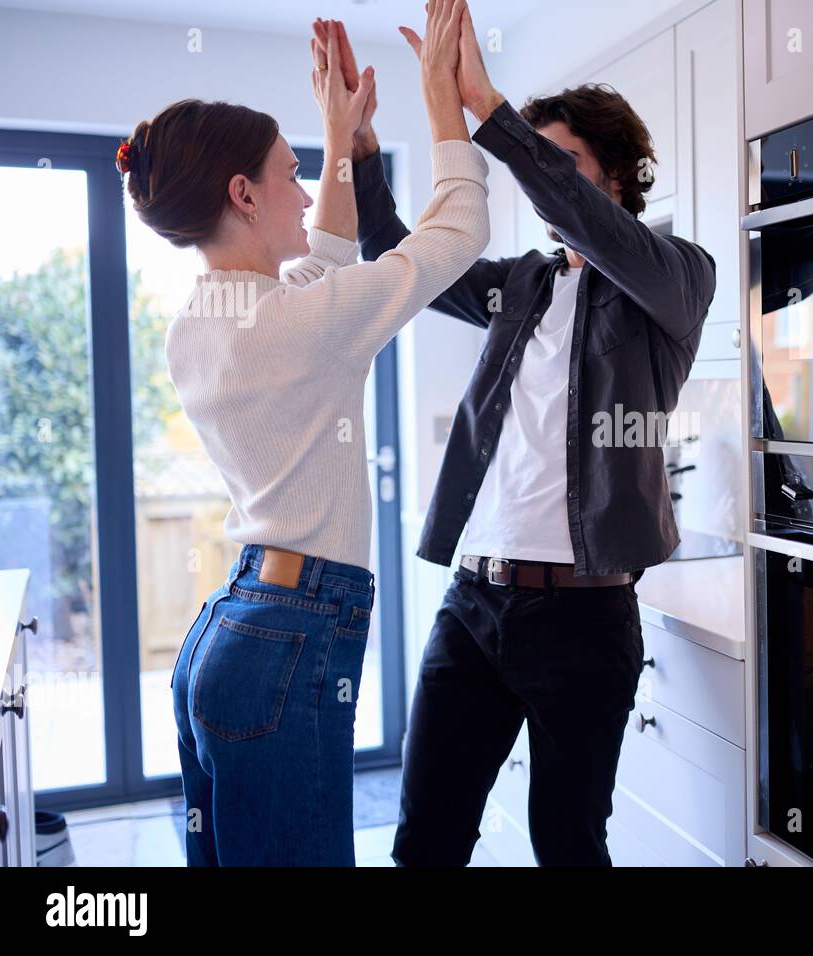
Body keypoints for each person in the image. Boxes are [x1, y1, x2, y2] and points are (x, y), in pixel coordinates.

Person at [327, 2, 716, 865]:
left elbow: (594, 227)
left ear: (616, 174)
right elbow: (401, 257)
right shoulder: (522, 284)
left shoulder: (676, 278)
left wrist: (487, 112)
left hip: (584, 619)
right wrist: (356, 150)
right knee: (425, 841)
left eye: (565, 164)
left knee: (568, 849)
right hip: (472, 605)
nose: (544, 185)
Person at [120, 3, 488, 865]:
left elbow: (320, 258)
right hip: (291, 634)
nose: (303, 187)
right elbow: (460, 231)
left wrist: (333, 134)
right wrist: (442, 97)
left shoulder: (202, 322)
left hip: (236, 627)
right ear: (242, 195)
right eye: (290, 173)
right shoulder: (298, 323)